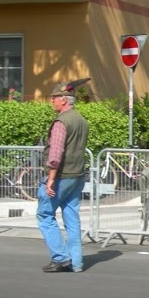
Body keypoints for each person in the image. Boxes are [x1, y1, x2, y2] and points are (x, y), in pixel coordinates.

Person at [37, 79, 90, 273]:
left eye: (54, 98)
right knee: (71, 217)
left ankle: (61, 258)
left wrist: (50, 179)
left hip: (62, 176)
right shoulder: (81, 120)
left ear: (64, 100)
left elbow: (55, 154)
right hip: (77, 175)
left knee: (44, 215)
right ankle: (76, 263)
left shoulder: (61, 122)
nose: (52, 101)